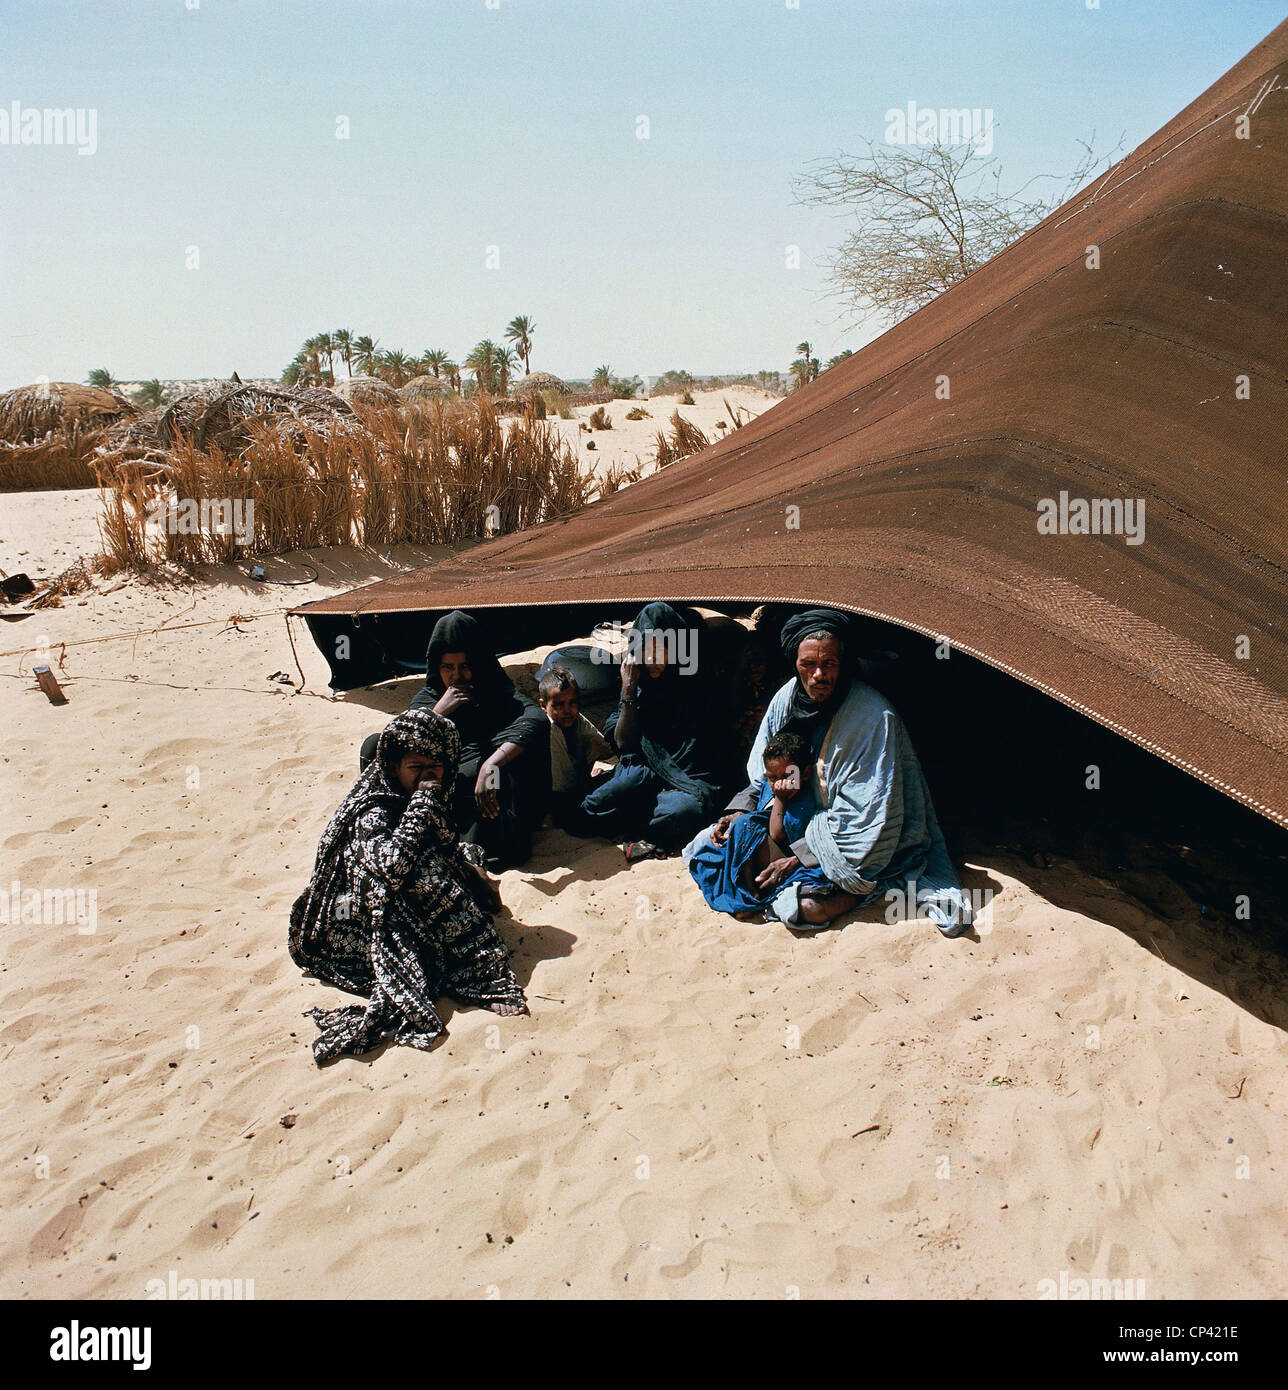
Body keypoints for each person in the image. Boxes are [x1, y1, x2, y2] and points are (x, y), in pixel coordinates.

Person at [686, 608, 973, 933]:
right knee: (705, 846)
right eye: (808, 665)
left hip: (847, 840)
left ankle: (843, 894)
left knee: (802, 906)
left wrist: (797, 858)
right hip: (791, 820)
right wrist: (740, 809)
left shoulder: (872, 718)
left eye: (829, 664)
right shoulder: (787, 699)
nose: (818, 675)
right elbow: (763, 774)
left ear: (843, 663)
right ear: (795, 663)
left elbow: (869, 819)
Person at [290, 708, 527, 1064]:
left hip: (403, 885)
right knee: (426, 882)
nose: (427, 778)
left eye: (435, 769)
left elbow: (445, 841)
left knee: (462, 859)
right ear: (394, 767)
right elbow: (390, 869)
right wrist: (419, 810)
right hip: (361, 912)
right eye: (416, 769)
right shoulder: (372, 808)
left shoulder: (430, 793)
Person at [360, 611, 549, 870]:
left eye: (464, 666)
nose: (456, 675)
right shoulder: (429, 699)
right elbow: (398, 739)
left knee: (497, 777)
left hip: (473, 792)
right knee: (373, 746)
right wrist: (437, 713)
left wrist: (490, 763)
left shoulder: (497, 693)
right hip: (431, 789)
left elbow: (534, 720)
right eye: (448, 667)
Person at [573, 601, 724, 861]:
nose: (651, 660)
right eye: (645, 652)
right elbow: (623, 744)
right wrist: (628, 691)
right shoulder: (641, 686)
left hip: (686, 783)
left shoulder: (698, 685)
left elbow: (701, 760)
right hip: (645, 774)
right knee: (604, 801)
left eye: (659, 651)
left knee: (686, 810)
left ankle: (638, 824)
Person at [685, 728, 833, 918]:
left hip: (784, 857)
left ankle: (747, 894)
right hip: (757, 856)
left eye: (788, 776)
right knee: (709, 851)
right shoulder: (767, 788)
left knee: (745, 824)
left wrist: (780, 799)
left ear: (804, 774)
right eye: (772, 778)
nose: (779, 783)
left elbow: (777, 834)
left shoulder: (802, 800)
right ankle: (744, 888)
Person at [538, 665, 615, 827]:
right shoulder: (549, 729)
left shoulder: (577, 720)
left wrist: (597, 770)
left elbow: (605, 750)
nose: (567, 710)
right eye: (558, 705)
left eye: (572, 703)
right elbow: (562, 788)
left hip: (576, 789)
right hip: (556, 802)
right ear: (543, 706)